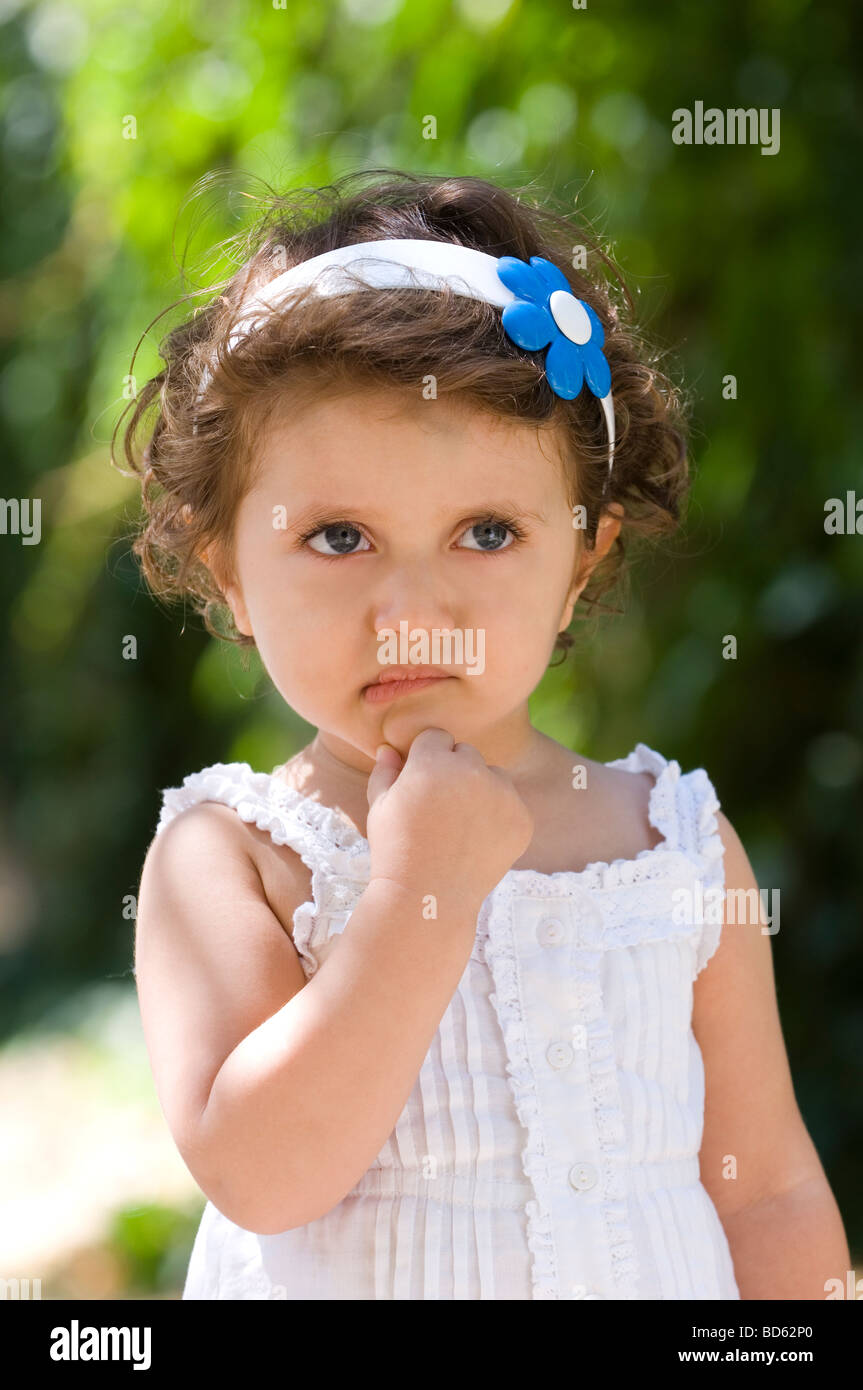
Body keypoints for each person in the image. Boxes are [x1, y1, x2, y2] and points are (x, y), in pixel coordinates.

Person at [124, 169, 849, 1300]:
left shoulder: (672, 848)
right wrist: (426, 891)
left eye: (486, 531)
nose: (411, 613)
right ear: (231, 575)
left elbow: (763, 1190)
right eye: (338, 536)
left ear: (581, 564)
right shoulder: (232, 857)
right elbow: (262, 1176)